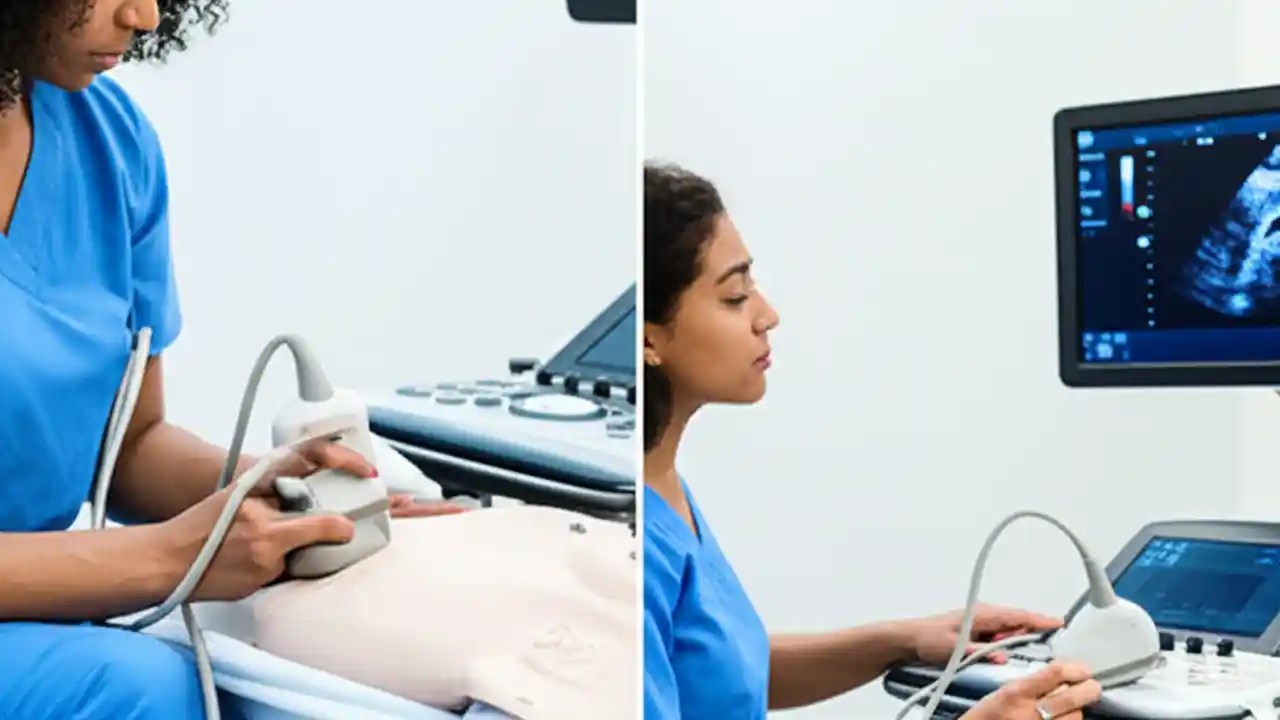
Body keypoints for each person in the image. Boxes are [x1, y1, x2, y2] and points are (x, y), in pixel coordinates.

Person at [0, 2, 461, 717]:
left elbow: (129, 447)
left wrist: (282, 499)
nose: (145, 15)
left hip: (40, 617)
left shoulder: (111, 142)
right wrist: (168, 558)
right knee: (144, 690)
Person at [641, 161, 1105, 720]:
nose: (768, 315)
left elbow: (720, 678)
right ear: (648, 337)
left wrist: (902, 641)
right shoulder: (630, 552)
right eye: (736, 297)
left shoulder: (663, 487)